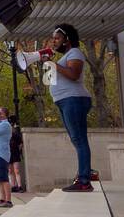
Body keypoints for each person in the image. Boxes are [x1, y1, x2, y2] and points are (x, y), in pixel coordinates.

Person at [41, 24, 95, 192]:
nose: (54, 41)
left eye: (57, 38)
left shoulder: (75, 53)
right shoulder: (62, 59)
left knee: (79, 139)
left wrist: (54, 64)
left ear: (67, 39)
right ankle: (85, 173)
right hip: (65, 101)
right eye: (53, 38)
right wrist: (46, 64)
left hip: (75, 99)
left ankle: (85, 180)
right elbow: (47, 81)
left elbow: (73, 75)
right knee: (77, 139)